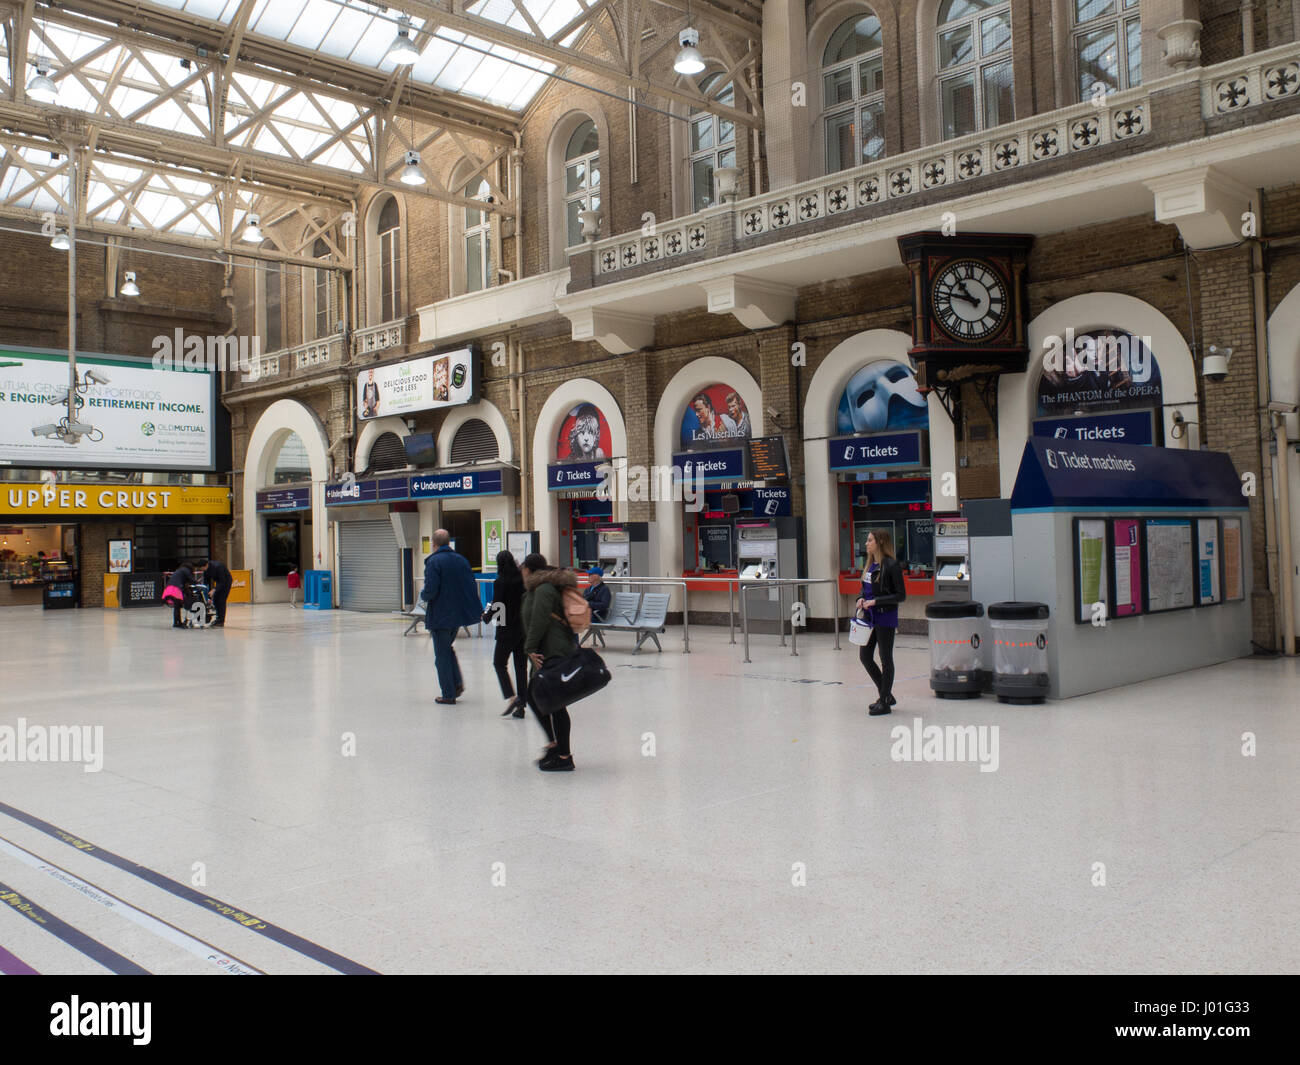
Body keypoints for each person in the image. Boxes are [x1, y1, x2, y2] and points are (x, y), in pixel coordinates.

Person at [520, 553, 579, 772]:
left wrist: (529, 648)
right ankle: (555, 745)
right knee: (536, 698)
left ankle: (564, 755)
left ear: (529, 569)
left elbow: (540, 619)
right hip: (544, 652)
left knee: (554, 704)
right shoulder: (536, 589)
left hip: (552, 652)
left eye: (523, 567)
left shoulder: (544, 589)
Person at [422, 529, 483, 705]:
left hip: (441, 615)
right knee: (447, 649)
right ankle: (456, 684)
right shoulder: (461, 560)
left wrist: (424, 596)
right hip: (457, 615)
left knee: (441, 655)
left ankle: (448, 693)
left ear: (434, 544)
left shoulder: (434, 562)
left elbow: (431, 589)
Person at [856, 529, 905, 716]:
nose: (866, 543)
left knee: (886, 658)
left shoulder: (892, 565)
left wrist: (876, 601)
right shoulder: (869, 565)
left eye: (870, 540)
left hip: (885, 617)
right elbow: (864, 589)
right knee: (865, 656)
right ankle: (886, 694)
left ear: (880, 542)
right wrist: (860, 599)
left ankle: (884, 701)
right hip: (869, 618)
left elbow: (901, 595)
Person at [488, 551, 528, 719]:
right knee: (521, 667)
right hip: (523, 628)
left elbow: (498, 605)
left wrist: (486, 617)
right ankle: (521, 706)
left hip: (506, 629)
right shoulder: (522, 580)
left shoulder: (500, 582)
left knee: (499, 663)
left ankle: (511, 697)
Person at [197, 557, 233, 627]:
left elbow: (222, 581)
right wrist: (205, 590)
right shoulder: (206, 570)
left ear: (206, 565)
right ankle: (218, 618)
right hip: (218, 582)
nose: (202, 570)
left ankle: (221, 621)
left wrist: (214, 590)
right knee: (215, 600)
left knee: (221, 601)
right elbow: (206, 581)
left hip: (226, 582)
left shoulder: (218, 567)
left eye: (202, 568)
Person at [167, 561, 195, 628]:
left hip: (170, 588)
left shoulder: (179, 570)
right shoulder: (186, 570)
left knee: (177, 606)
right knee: (177, 606)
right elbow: (191, 579)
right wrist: (196, 582)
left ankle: (177, 622)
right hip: (175, 589)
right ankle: (177, 623)